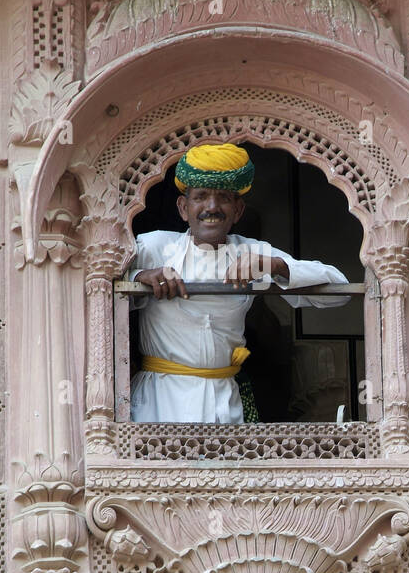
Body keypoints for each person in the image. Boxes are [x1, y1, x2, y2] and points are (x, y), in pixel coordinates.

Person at [128, 143, 350, 424]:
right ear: (184, 208)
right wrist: (138, 278)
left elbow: (338, 291)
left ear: (238, 210)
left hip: (223, 404)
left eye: (223, 198)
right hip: (158, 403)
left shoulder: (252, 251)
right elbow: (98, 284)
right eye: (201, 197)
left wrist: (275, 266)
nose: (212, 207)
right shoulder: (154, 246)